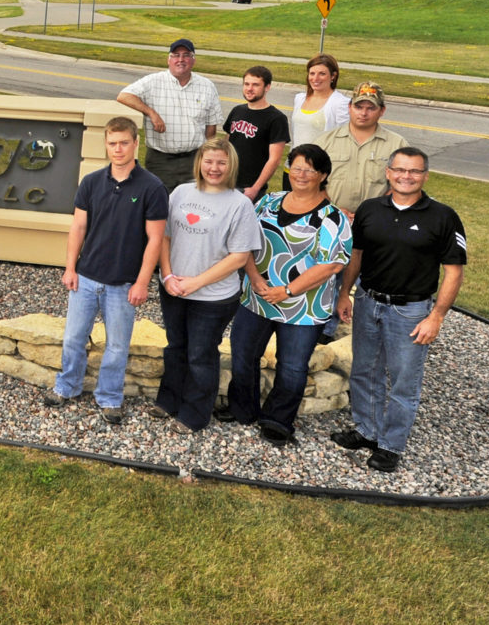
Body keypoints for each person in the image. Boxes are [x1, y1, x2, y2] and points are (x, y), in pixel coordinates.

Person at [332, 147, 467, 473]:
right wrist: (345, 294)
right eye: (400, 170)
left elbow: (454, 271)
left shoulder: (443, 216)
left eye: (415, 171)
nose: (407, 176)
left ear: (425, 176)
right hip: (368, 302)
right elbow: (356, 255)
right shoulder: (370, 209)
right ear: (388, 173)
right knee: (364, 371)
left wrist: (436, 316)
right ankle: (367, 430)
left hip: (411, 311)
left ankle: (391, 446)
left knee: (404, 382)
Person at [221, 143, 351, 446]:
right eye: (296, 167)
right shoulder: (269, 202)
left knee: (292, 366)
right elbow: (244, 239)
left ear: (323, 175)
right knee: (243, 355)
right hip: (257, 297)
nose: (301, 174)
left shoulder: (332, 218)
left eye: (309, 170)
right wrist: (254, 277)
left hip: (304, 307)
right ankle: (243, 409)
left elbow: (331, 264)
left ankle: (277, 420)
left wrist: (288, 290)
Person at [43, 116, 168, 424]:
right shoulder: (91, 182)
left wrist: (142, 283)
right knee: (73, 338)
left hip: (123, 284)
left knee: (117, 347)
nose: (118, 149)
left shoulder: (152, 187)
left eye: (124, 143)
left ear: (136, 143)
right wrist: (70, 268)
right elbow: (78, 227)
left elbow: (155, 239)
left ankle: (110, 398)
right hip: (85, 278)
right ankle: (67, 386)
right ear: (106, 145)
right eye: (112, 143)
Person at [151, 136, 261, 432]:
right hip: (174, 288)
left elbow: (239, 257)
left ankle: (194, 414)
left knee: (201, 354)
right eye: (208, 161)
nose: (214, 168)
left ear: (231, 165)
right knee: (175, 347)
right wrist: (168, 275)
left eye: (221, 163)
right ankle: (168, 400)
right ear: (199, 162)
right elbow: (165, 237)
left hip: (213, 297)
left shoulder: (240, 204)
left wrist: (196, 283)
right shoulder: (181, 192)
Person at [116, 37, 222, 194]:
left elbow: (211, 128)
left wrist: (208, 157)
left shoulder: (207, 86)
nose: (181, 60)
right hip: (160, 161)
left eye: (186, 55)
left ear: (193, 60)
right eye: (176, 55)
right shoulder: (153, 82)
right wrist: (151, 112)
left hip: (194, 159)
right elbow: (124, 96)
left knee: (193, 203)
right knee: (159, 202)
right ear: (169, 60)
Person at [315, 82, 410, 219]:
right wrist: (334, 210)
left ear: (382, 111)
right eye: (358, 107)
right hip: (330, 217)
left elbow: (404, 184)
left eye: (371, 108)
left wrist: (376, 210)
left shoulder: (397, 145)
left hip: (378, 218)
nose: (363, 113)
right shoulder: (324, 142)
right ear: (349, 107)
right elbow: (312, 181)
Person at [222, 65, 290, 201]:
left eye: (255, 85)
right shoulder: (237, 111)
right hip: (227, 181)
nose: (249, 88)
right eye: (246, 84)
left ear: (267, 87)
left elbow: (274, 160)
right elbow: (226, 145)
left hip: (249, 188)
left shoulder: (276, 118)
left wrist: (255, 188)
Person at [287, 54, 348, 181]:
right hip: (293, 169)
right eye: (312, 73)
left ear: (333, 76)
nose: (315, 78)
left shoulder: (340, 103)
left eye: (322, 74)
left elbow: (344, 141)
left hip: (318, 172)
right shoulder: (299, 99)